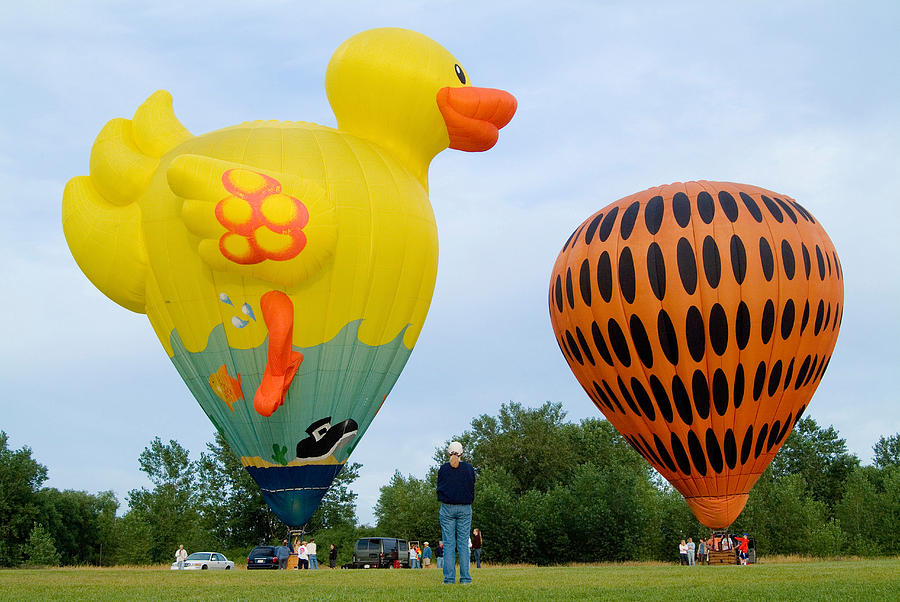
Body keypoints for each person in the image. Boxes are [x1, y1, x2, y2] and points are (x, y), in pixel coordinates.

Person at [437, 441, 476, 584]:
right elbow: (472, 487)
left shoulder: (443, 469)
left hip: (447, 508)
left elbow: (440, 488)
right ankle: (465, 578)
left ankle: (449, 579)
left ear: (448, 453)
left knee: (448, 544)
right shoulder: (469, 469)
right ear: (462, 453)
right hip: (465, 508)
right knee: (463, 544)